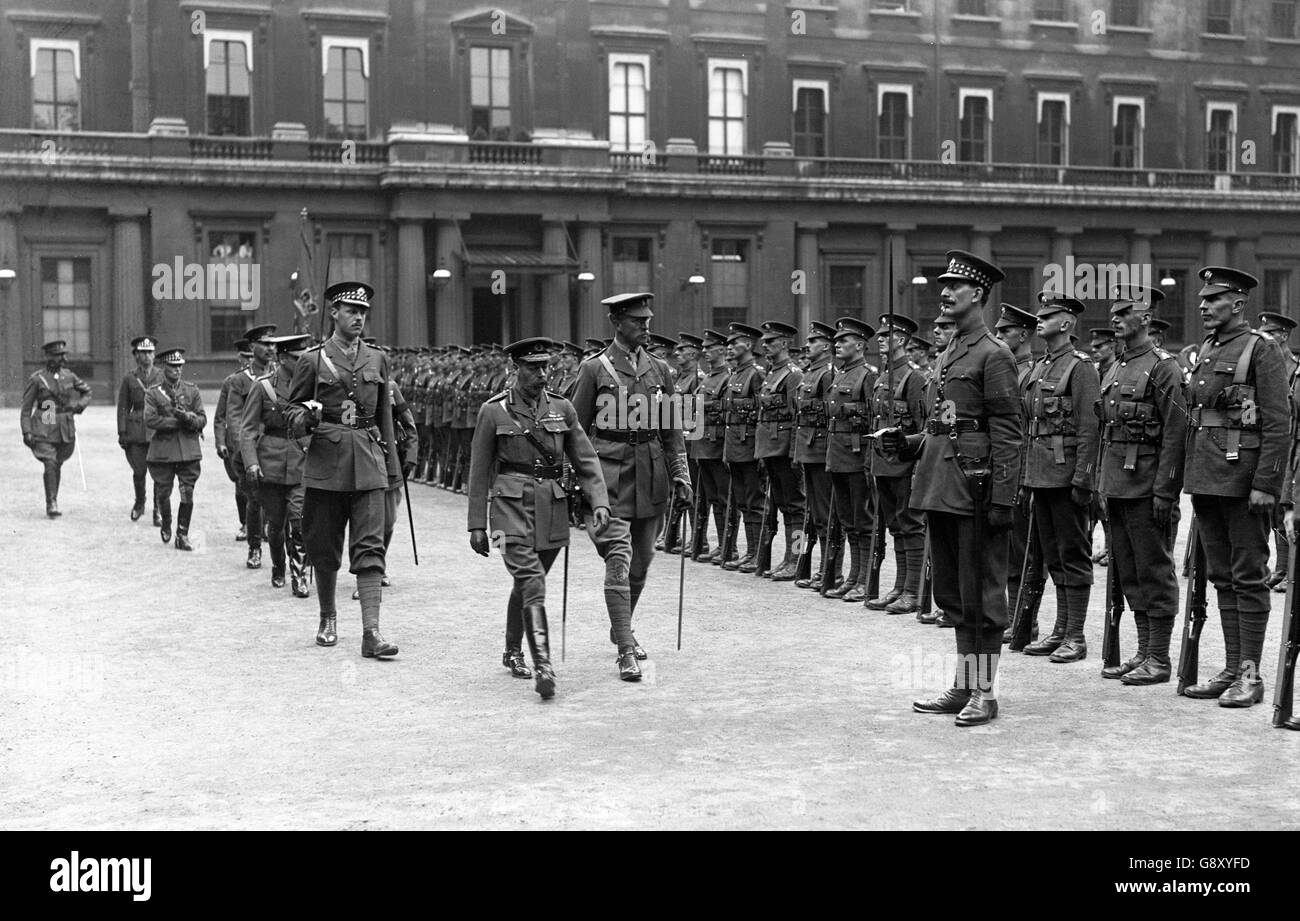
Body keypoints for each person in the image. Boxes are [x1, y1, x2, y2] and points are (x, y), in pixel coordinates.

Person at [882, 250, 1022, 726]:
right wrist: (909, 442)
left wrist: (1004, 497)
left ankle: (986, 692)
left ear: (978, 295)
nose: (943, 293)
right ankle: (964, 686)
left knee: (983, 594)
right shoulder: (949, 352)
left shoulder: (994, 354)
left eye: (954, 287)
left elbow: (1007, 431)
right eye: (943, 286)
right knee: (953, 593)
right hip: (941, 485)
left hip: (976, 491)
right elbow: (947, 425)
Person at [468, 337, 612, 698]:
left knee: (527, 582)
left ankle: (512, 648)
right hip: (507, 509)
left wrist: (600, 502)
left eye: (546, 366)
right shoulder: (494, 410)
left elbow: (586, 459)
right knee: (531, 579)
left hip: (552, 508)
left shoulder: (562, 409)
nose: (542, 374)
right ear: (516, 368)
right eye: (533, 367)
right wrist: (476, 524)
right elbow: (479, 468)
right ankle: (543, 666)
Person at [567, 292, 693, 678]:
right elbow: (576, 429)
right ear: (617, 323)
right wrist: (576, 481)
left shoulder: (660, 370)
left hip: (650, 476)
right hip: (609, 478)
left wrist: (681, 473)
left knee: (642, 562)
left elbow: (672, 430)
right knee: (618, 561)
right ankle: (626, 647)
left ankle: (619, 625)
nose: (646, 326)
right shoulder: (594, 369)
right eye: (638, 321)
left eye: (648, 320)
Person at [1181, 267, 1288, 708]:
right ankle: (1230, 666)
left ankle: (1251, 674)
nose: (1204, 306)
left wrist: (1266, 483)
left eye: (1215, 299)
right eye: (1204, 299)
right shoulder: (1208, 349)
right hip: (1207, 479)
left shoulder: (1260, 350)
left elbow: (1279, 423)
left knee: (1247, 577)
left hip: (1244, 483)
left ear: (1238, 304)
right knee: (1221, 576)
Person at [285, 282, 401, 659]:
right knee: (324, 545)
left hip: (368, 461)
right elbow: (291, 413)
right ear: (333, 313)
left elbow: (385, 416)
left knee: (371, 547)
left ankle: (372, 632)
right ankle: (328, 617)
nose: (358, 318)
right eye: (351, 311)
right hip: (325, 463)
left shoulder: (378, 359)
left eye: (363, 312)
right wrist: (307, 416)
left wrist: (392, 470)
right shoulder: (313, 360)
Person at [1097, 285, 1187, 685]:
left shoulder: (1163, 367)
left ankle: (1160, 657)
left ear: (1146, 319)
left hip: (1147, 485)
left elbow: (1175, 434)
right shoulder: (1116, 367)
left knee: (1154, 570)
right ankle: (1143, 651)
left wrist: (1166, 492)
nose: (1115, 318)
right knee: (1129, 571)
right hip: (1117, 484)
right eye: (1113, 311)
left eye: (1124, 312)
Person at [1018, 292, 1101, 664]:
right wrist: (1025, 476)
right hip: (1040, 475)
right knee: (1053, 555)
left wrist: (1083, 480)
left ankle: (1076, 635)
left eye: (1047, 315)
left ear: (1066, 323)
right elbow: (1028, 429)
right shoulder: (1038, 368)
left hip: (1067, 477)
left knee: (1073, 554)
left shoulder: (1080, 368)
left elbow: (1089, 428)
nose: (1039, 319)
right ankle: (1061, 629)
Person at [238, 333, 314, 596]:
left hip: (302, 460)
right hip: (270, 462)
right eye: (296, 358)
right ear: (282, 358)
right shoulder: (263, 387)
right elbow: (247, 430)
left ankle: (299, 575)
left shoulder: (312, 387)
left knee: (299, 519)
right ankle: (279, 566)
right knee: (275, 524)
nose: (303, 362)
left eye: (305, 357)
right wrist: (251, 464)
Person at [866, 314, 927, 614]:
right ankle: (900, 586)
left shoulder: (914, 379)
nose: (879, 340)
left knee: (910, 524)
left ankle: (913, 591)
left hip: (904, 464)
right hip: (882, 463)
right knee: (894, 526)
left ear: (901, 340)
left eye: (885, 336)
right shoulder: (882, 376)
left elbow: (923, 425)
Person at [994, 303, 1044, 643]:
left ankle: (1028, 618)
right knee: (1010, 549)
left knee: (1028, 549)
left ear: (1024, 335)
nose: (999, 337)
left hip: (1027, 470)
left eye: (1005, 332)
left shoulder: (1033, 372)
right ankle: (1014, 617)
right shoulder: (1006, 369)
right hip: (1008, 469)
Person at [824, 317, 877, 603]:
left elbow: (872, 421)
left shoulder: (867, 376)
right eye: (836, 341)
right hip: (838, 456)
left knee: (862, 519)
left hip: (857, 457)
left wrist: (869, 462)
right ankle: (854, 576)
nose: (837, 344)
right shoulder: (839, 375)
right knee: (848, 521)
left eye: (843, 341)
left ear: (859, 345)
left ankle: (865, 579)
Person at [215, 326, 277, 564]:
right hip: (249, 449)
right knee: (255, 500)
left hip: (275, 447)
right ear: (252, 348)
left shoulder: (280, 375)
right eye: (265, 344)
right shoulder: (239, 381)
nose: (271, 348)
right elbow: (234, 418)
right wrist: (245, 450)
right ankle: (254, 548)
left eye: (273, 344)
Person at [754, 321, 805, 579]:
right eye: (764, 342)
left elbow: (798, 417)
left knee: (795, 505)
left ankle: (796, 558)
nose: (765, 345)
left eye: (770, 342)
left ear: (784, 344)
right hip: (771, 448)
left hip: (785, 448)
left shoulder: (793, 374)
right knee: (785, 505)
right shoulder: (772, 373)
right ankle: (788, 558)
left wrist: (796, 452)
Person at [21, 339, 92, 518]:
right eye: (59, 356)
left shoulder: (69, 376)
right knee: (50, 462)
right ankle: (51, 503)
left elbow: (87, 391)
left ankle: (53, 498)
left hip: (65, 425)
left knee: (57, 463)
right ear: (49, 357)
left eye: (63, 355)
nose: (63, 358)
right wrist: (26, 431)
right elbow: (26, 409)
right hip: (45, 421)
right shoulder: (38, 379)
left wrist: (79, 406)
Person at [144, 347, 206, 550]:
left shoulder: (192, 390)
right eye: (172, 366)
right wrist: (177, 422)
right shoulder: (153, 393)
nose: (177, 370)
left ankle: (182, 534)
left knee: (187, 492)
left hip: (188, 450)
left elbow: (202, 418)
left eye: (179, 366)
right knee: (163, 492)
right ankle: (167, 521)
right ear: (163, 367)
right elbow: (151, 419)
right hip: (163, 452)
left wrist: (189, 418)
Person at [793, 321, 838, 591]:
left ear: (826, 346)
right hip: (808, 451)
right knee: (814, 514)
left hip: (821, 451)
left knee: (825, 513)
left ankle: (830, 570)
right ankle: (819, 568)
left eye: (812, 342)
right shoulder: (810, 374)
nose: (807, 346)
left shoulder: (827, 374)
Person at [721, 323, 767, 572]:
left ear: (748, 345)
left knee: (754, 500)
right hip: (735, 448)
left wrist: (759, 450)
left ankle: (757, 553)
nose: (728, 348)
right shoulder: (735, 375)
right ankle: (750, 552)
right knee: (743, 501)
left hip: (749, 447)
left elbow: (762, 414)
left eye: (733, 343)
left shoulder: (755, 374)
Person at [1259, 311, 1299, 591]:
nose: (1267, 340)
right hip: (1270, 443)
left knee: (1288, 506)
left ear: (1283, 336)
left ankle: (1288, 570)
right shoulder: (1266, 365)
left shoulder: (1292, 368)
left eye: (1270, 334)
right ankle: (1280, 566)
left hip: (1290, 445)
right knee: (1273, 510)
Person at [691, 329, 733, 563]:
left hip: (717, 445)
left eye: (709, 348)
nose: (705, 351)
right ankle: (721, 544)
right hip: (702, 445)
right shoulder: (707, 378)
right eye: (704, 348)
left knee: (725, 498)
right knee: (714, 498)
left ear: (721, 350)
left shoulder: (727, 377)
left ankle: (730, 546)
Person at [661, 333, 704, 555]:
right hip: (678, 441)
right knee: (675, 489)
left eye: (681, 350)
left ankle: (698, 539)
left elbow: (695, 414)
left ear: (693, 353)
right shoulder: (679, 378)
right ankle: (674, 534)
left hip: (690, 441)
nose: (676, 354)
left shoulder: (698, 378)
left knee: (691, 489)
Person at [117, 336, 163, 523]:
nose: (147, 356)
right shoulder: (130, 378)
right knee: (139, 471)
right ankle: (139, 503)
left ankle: (158, 509)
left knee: (159, 472)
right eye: (143, 353)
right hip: (135, 430)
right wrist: (122, 432)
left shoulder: (161, 375)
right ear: (136, 356)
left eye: (150, 352)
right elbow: (122, 407)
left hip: (157, 430)